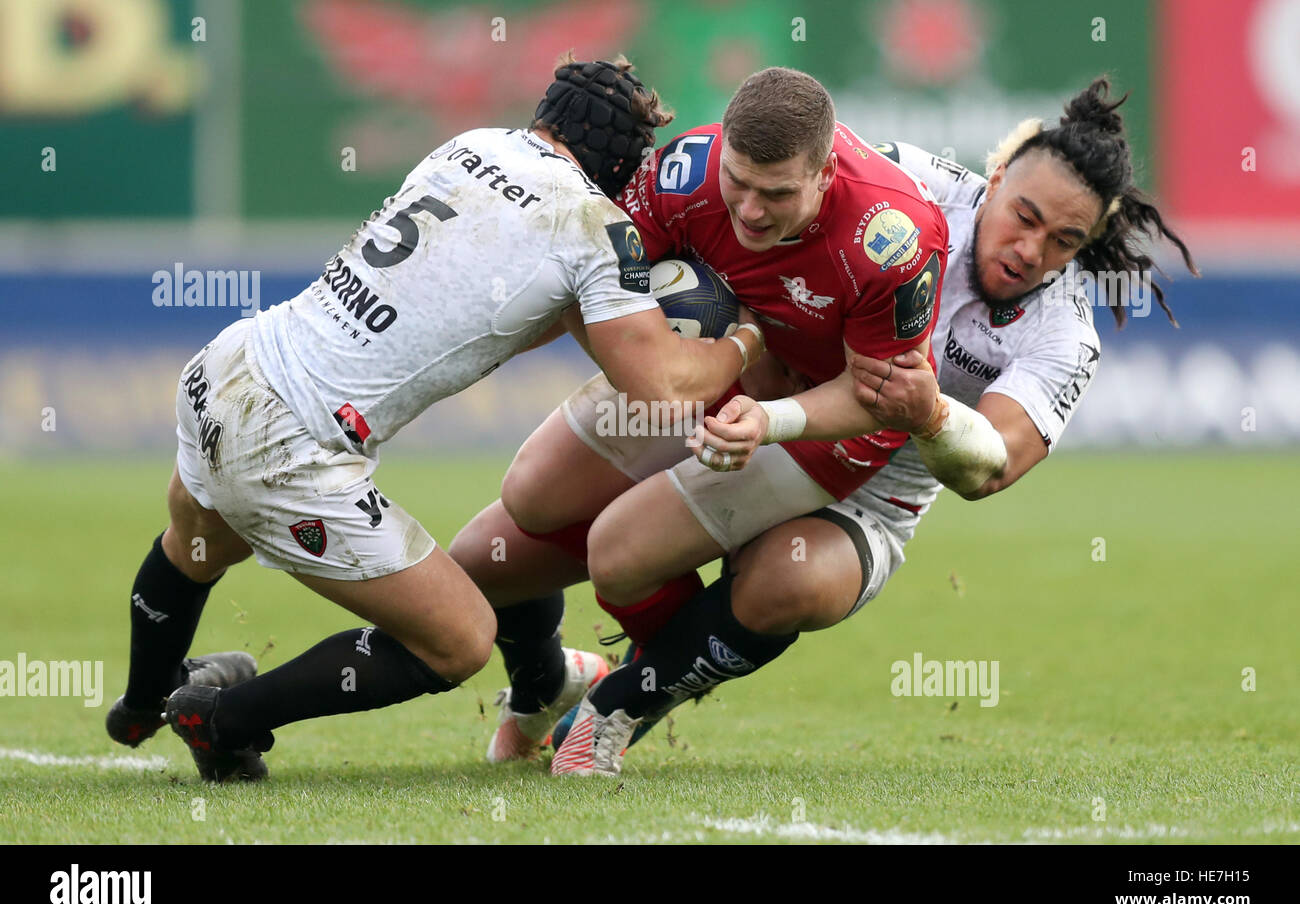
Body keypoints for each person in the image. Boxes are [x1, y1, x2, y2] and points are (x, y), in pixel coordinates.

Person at [104, 55, 767, 782]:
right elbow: (662, 388)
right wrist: (746, 337)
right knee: (458, 640)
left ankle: (143, 701)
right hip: (290, 437)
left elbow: (512, 300)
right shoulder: (594, 223)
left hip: (232, 362)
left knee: (196, 543)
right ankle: (223, 720)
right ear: (618, 162)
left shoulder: (471, 144)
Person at [547, 78, 1200, 775]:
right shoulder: (909, 188)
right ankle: (543, 667)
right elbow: (790, 190)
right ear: (998, 176)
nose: (1030, 250)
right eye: (1024, 216)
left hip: (876, 498)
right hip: (778, 408)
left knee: (787, 585)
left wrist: (933, 413)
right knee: (553, 521)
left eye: (1064, 241)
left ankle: (623, 699)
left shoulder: (1067, 336)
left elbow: (994, 466)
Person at [447, 66, 954, 764]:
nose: (748, 209)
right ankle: (569, 677)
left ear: (825, 173)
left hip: (820, 429)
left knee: (619, 556)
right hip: (713, 377)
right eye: (738, 182)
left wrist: (768, 420)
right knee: (520, 510)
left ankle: (636, 690)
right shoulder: (685, 173)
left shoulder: (891, 239)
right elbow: (587, 285)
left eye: (776, 193)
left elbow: (877, 399)